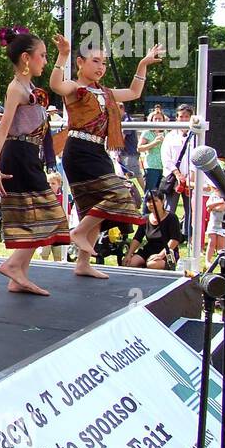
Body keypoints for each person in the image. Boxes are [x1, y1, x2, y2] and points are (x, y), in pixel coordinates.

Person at [51, 42, 161, 279]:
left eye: (104, 62)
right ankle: (78, 232)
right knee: (119, 194)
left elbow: (134, 93)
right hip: (78, 150)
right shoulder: (74, 88)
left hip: (98, 151)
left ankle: (82, 262)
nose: (101, 67)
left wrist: (142, 64)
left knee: (92, 210)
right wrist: (62, 55)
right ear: (80, 63)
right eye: (95, 61)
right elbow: (55, 84)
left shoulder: (105, 92)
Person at [0, 27, 70, 295]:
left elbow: (56, 84)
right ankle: (13, 266)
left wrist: (63, 55)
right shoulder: (16, 89)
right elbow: (4, 128)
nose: (44, 61)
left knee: (36, 216)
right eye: (42, 56)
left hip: (27, 155)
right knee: (48, 214)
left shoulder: (28, 86)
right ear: (26, 58)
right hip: (18, 155)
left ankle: (18, 274)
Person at [123, 191, 184, 270]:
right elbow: (137, 238)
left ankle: (166, 266)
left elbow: (174, 240)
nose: (151, 204)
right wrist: (129, 254)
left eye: (155, 201)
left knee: (152, 264)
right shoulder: (145, 218)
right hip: (149, 250)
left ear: (162, 202)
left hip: (167, 252)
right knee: (129, 263)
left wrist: (160, 255)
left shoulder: (172, 218)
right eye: (149, 202)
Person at [160, 104, 195, 220]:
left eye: (186, 116)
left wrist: (190, 176)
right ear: (176, 118)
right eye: (181, 116)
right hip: (173, 179)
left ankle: (187, 235)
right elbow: (166, 158)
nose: (183, 119)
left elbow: (197, 157)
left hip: (191, 179)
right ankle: (168, 234)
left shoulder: (196, 136)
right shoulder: (170, 136)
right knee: (169, 210)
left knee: (191, 210)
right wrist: (178, 175)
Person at [137, 108, 166, 195]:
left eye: (159, 118)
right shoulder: (147, 132)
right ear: (151, 120)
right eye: (155, 118)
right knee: (150, 195)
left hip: (164, 167)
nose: (157, 120)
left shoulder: (167, 132)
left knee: (161, 195)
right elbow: (139, 148)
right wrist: (154, 143)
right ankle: (146, 209)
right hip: (151, 166)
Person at [38, 172, 65, 261]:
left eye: (53, 183)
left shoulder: (63, 199)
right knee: (44, 253)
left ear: (59, 185)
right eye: (48, 183)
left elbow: (67, 214)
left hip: (59, 231)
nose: (50, 185)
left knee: (58, 255)